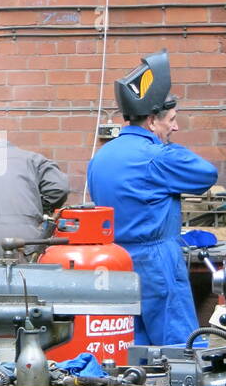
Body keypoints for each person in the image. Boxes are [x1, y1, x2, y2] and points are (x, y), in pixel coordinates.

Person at [87, 49, 217, 347]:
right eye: (171, 120)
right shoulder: (155, 157)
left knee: (130, 345)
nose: (175, 127)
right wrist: (167, 149)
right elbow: (206, 175)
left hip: (114, 262)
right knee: (177, 347)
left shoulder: (102, 156)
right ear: (151, 121)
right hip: (156, 261)